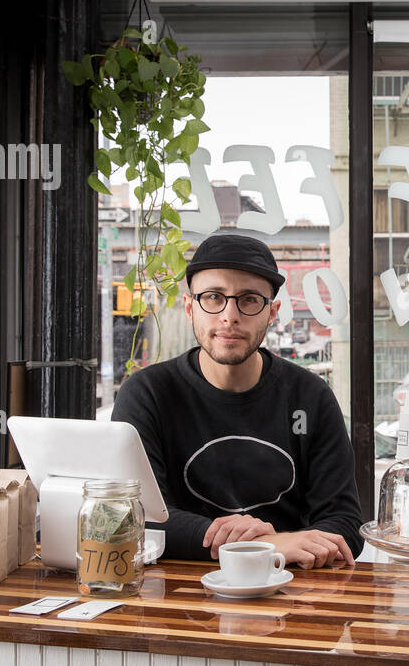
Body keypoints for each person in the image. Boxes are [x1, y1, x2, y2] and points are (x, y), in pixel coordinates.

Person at [112, 233, 362, 569]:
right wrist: (267, 545)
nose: (229, 315)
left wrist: (270, 547)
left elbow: (345, 525)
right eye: (213, 297)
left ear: (271, 312)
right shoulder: (148, 394)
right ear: (190, 307)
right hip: (177, 593)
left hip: (295, 592)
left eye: (248, 300)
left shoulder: (311, 397)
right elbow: (137, 518)